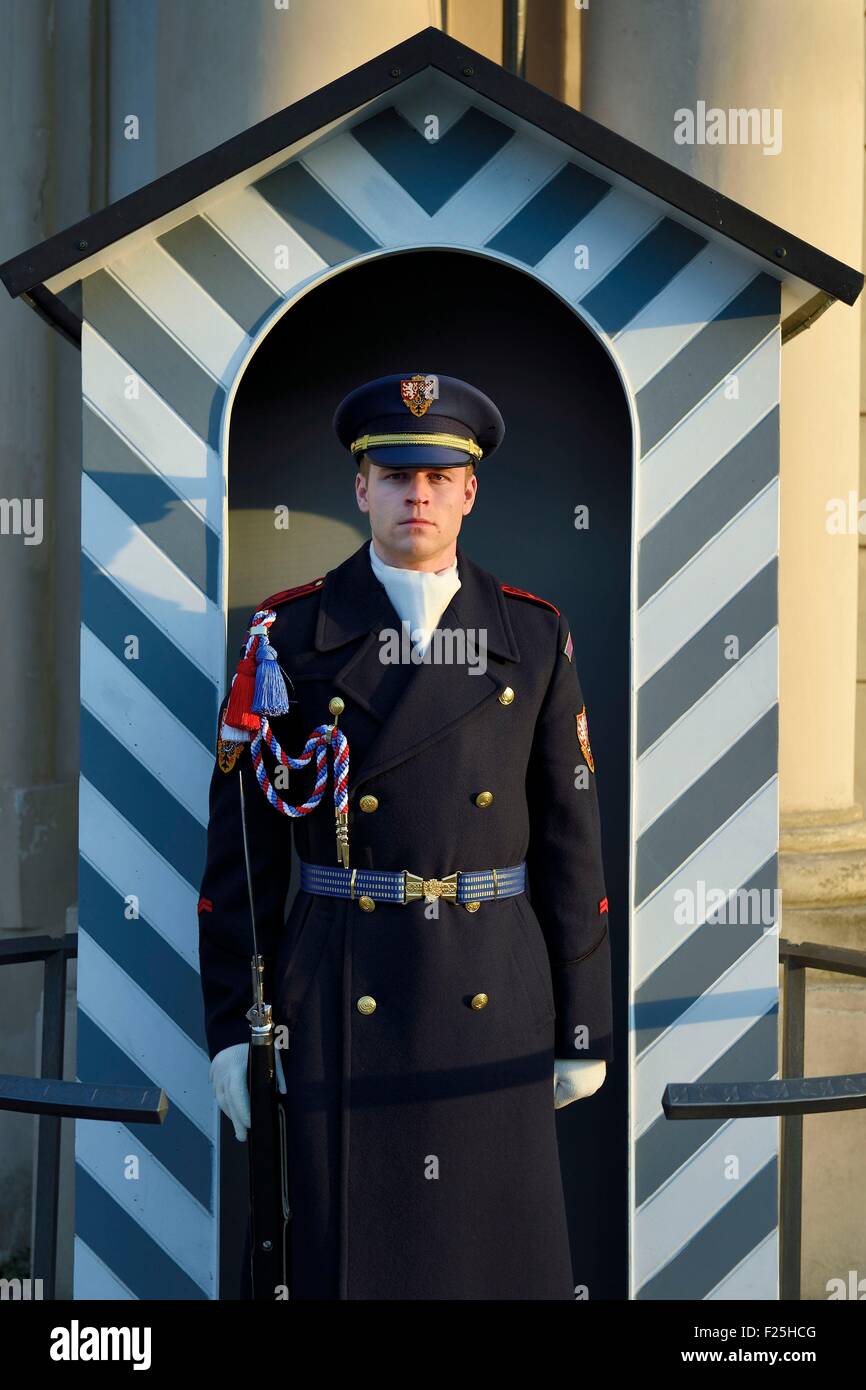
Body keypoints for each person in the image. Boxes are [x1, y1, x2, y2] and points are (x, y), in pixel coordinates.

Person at [198, 371, 613, 1300]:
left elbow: (570, 844)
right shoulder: (288, 636)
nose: (414, 494)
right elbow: (243, 855)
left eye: (436, 477)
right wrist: (230, 1027)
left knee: (488, 1260)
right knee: (350, 1256)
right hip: (342, 987)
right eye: (394, 474)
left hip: (492, 992)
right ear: (361, 488)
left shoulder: (533, 636)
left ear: (469, 492)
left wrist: (584, 1023)